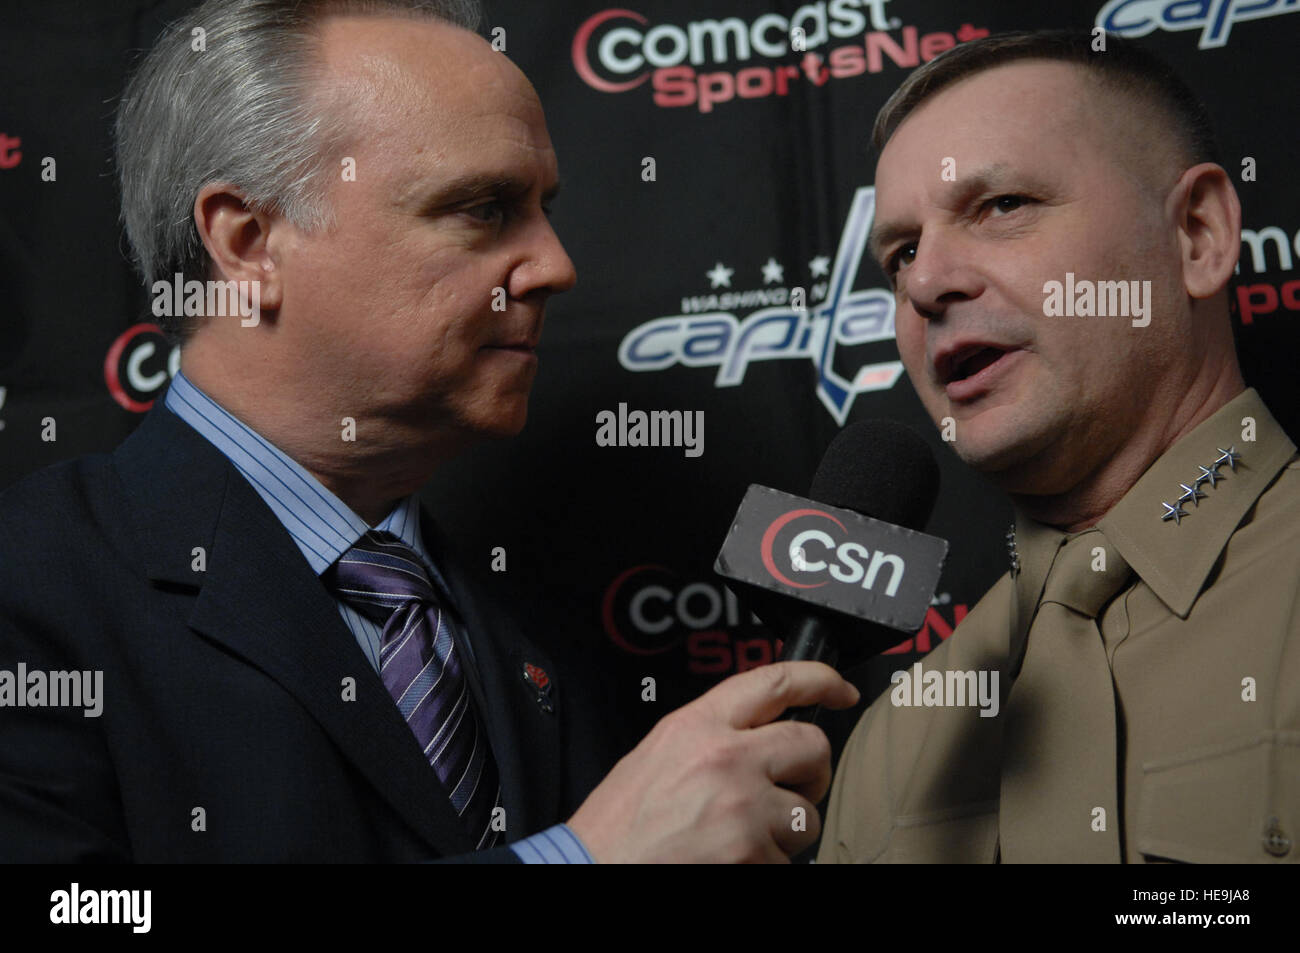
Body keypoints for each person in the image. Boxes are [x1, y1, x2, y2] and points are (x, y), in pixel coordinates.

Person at [0, 0, 859, 864]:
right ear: (250, 242)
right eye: (482, 208)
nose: (557, 266)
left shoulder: (533, 628)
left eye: (542, 207)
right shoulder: (31, 591)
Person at [817, 29, 1299, 864]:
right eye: (901, 255)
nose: (927, 284)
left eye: (1003, 207)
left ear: (1197, 235)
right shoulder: (891, 746)